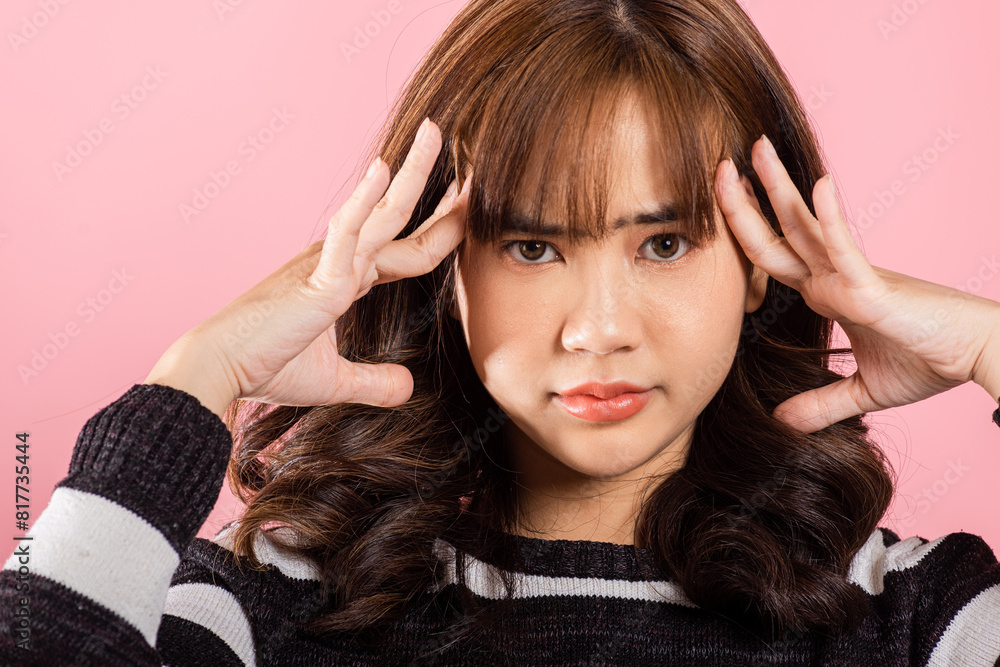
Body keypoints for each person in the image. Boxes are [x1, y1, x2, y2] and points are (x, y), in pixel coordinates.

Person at [3, 0, 1000, 664]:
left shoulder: (907, 614)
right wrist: (196, 378)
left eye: (662, 244)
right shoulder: (282, 597)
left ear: (758, 262)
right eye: (531, 246)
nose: (599, 329)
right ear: (444, 270)